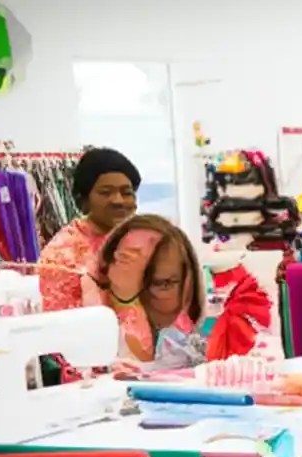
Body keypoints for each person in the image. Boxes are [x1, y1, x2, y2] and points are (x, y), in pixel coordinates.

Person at [86, 214, 204, 365]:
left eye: (162, 284)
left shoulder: (187, 334)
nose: (144, 297)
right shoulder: (90, 309)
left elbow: (145, 362)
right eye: (126, 260)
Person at [39, 148, 140, 312]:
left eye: (126, 192)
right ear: (84, 200)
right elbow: (61, 323)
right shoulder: (61, 255)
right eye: (106, 193)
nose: (118, 201)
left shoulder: (143, 237)